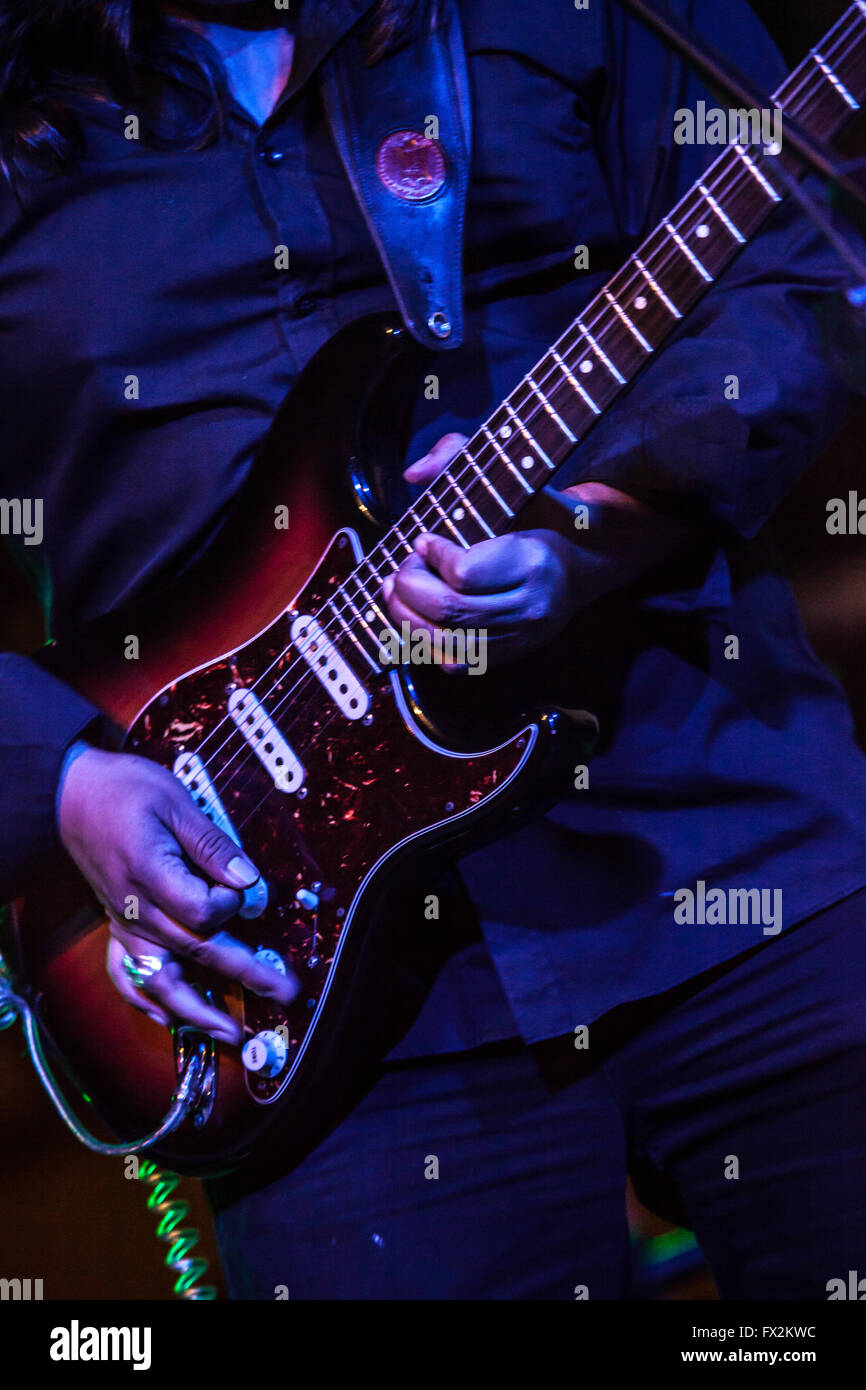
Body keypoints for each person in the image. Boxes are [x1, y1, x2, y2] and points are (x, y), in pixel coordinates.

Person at [3, 0, 866, 1299]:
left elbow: (792, 261)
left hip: (723, 844)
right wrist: (58, 775)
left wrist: (594, 531)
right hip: (291, 993)